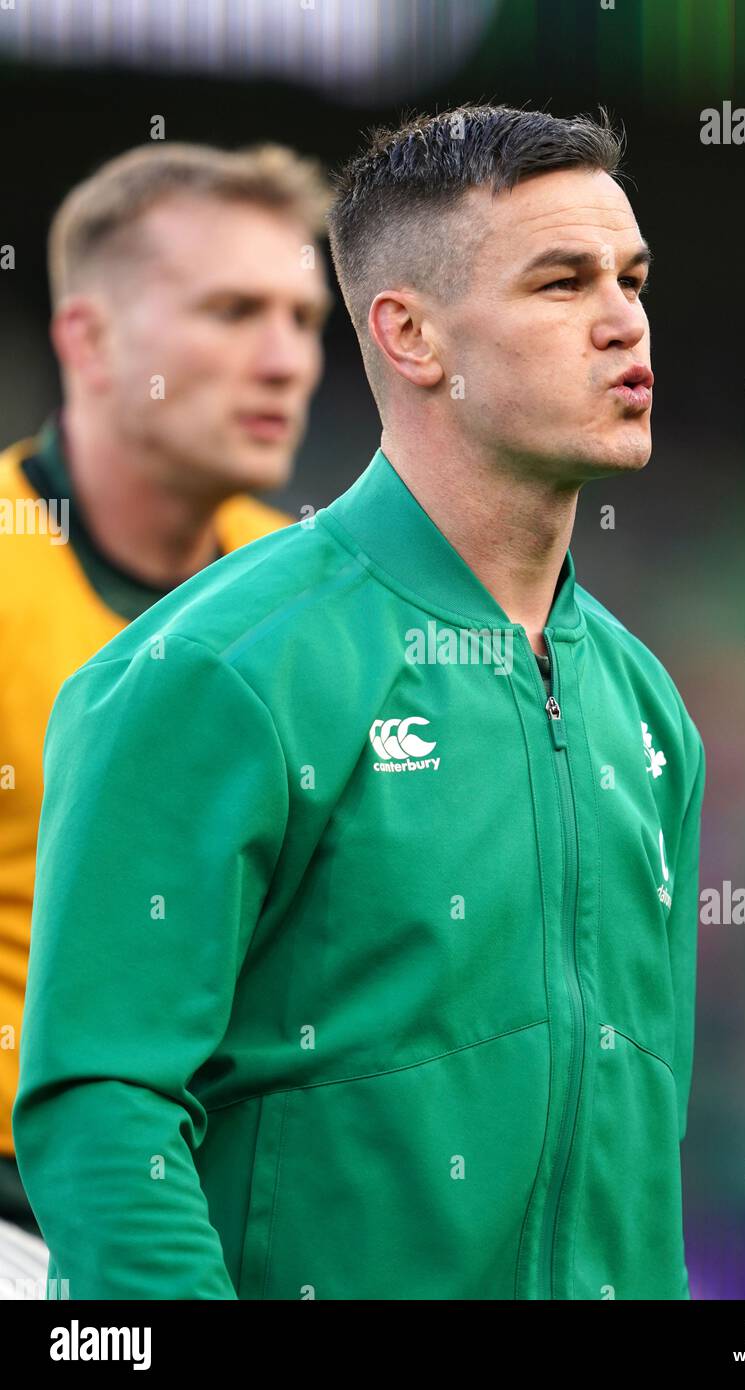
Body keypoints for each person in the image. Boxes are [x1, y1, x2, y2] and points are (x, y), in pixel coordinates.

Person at [13, 105, 705, 1300]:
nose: (623, 321)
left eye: (632, 279)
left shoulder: (651, 711)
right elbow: (104, 1106)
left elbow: (642, 1143)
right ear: (411, 337)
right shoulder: (214, 667)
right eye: (560, 283)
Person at [0, 140, 332, 1290]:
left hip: (246, 1209)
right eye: (235, 310)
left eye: (304, 317)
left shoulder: (315, 586)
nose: (286, 360)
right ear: (89, 341)